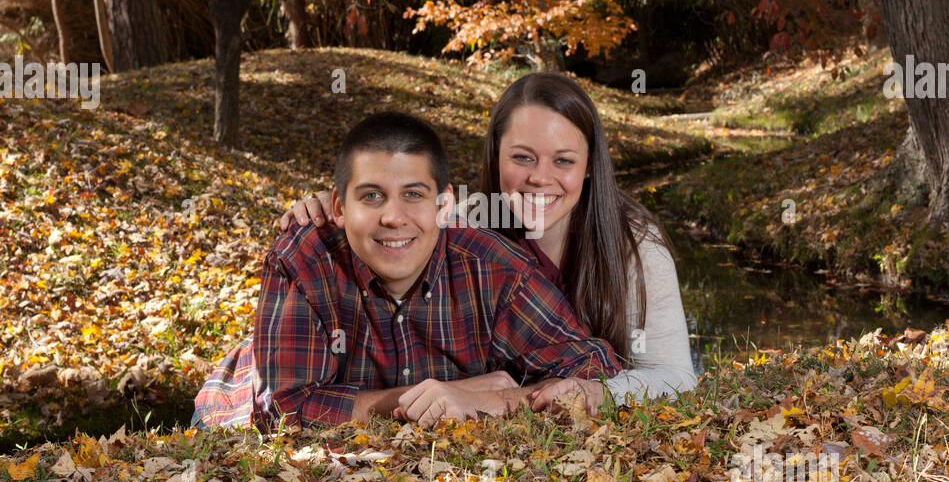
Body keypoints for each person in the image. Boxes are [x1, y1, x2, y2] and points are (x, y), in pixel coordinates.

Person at [281, 72, 698, 415]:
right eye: (522, 157)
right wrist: (333, 215)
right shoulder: (464, 228)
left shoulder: (633, 244)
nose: (540, 177)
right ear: (495, 155)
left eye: (564, 160)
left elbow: (677, 376)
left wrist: (595, 394)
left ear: (590, 166)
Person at [192, 111, 619, 432]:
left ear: (444, 205)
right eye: (372, 196)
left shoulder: (491, 267)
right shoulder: (304, 258)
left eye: (413, 195)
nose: (394, 218)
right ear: (340, 207)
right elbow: (281, 412)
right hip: (227, 415)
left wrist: (500, 400)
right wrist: (442, 396)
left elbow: (592, 363)